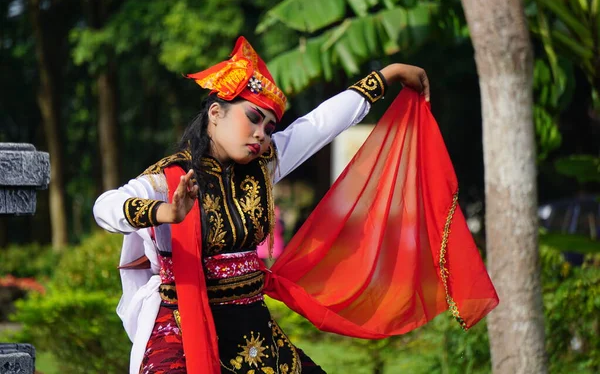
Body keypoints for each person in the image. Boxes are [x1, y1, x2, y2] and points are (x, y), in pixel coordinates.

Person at [94, 36, 497, 374]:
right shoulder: (170, 180)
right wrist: (165, 213)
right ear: (215, 113)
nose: (261, 134)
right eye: (252, 119)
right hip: (184, 329)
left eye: (269, 126)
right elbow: (105, 207)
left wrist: (386, 76)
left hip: (251, 327)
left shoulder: (264, 165)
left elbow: (319, 125)